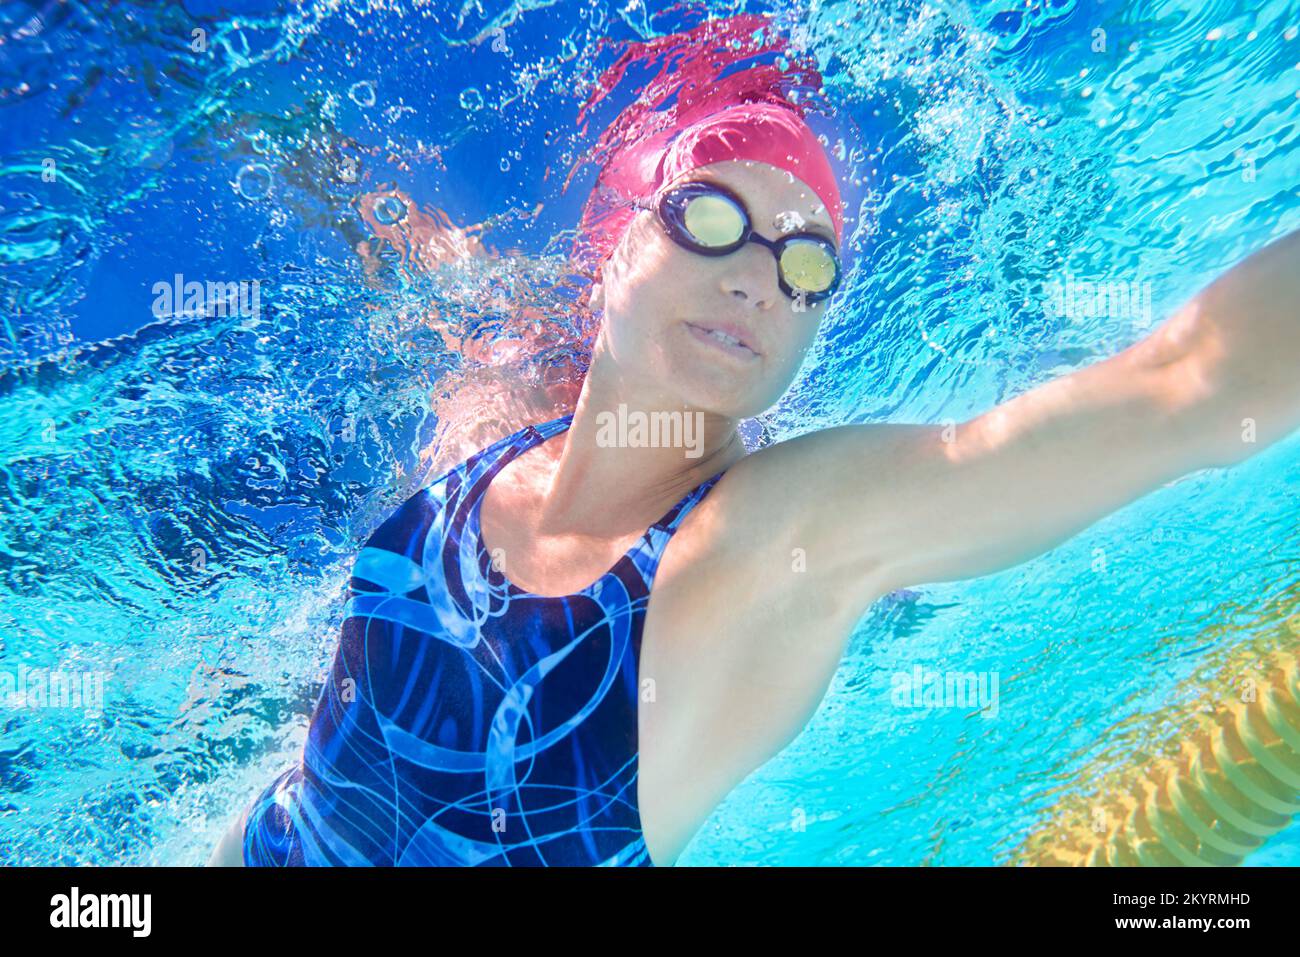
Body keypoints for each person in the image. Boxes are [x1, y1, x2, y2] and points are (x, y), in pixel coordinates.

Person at [208, 17, 1300, 867]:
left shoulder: (758, 546)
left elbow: (1186, 386)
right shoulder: (491, 431)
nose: (759, 274)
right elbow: (419, 258)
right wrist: (255, 113)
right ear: (613, 245)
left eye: (809, 260)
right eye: (710, 217)